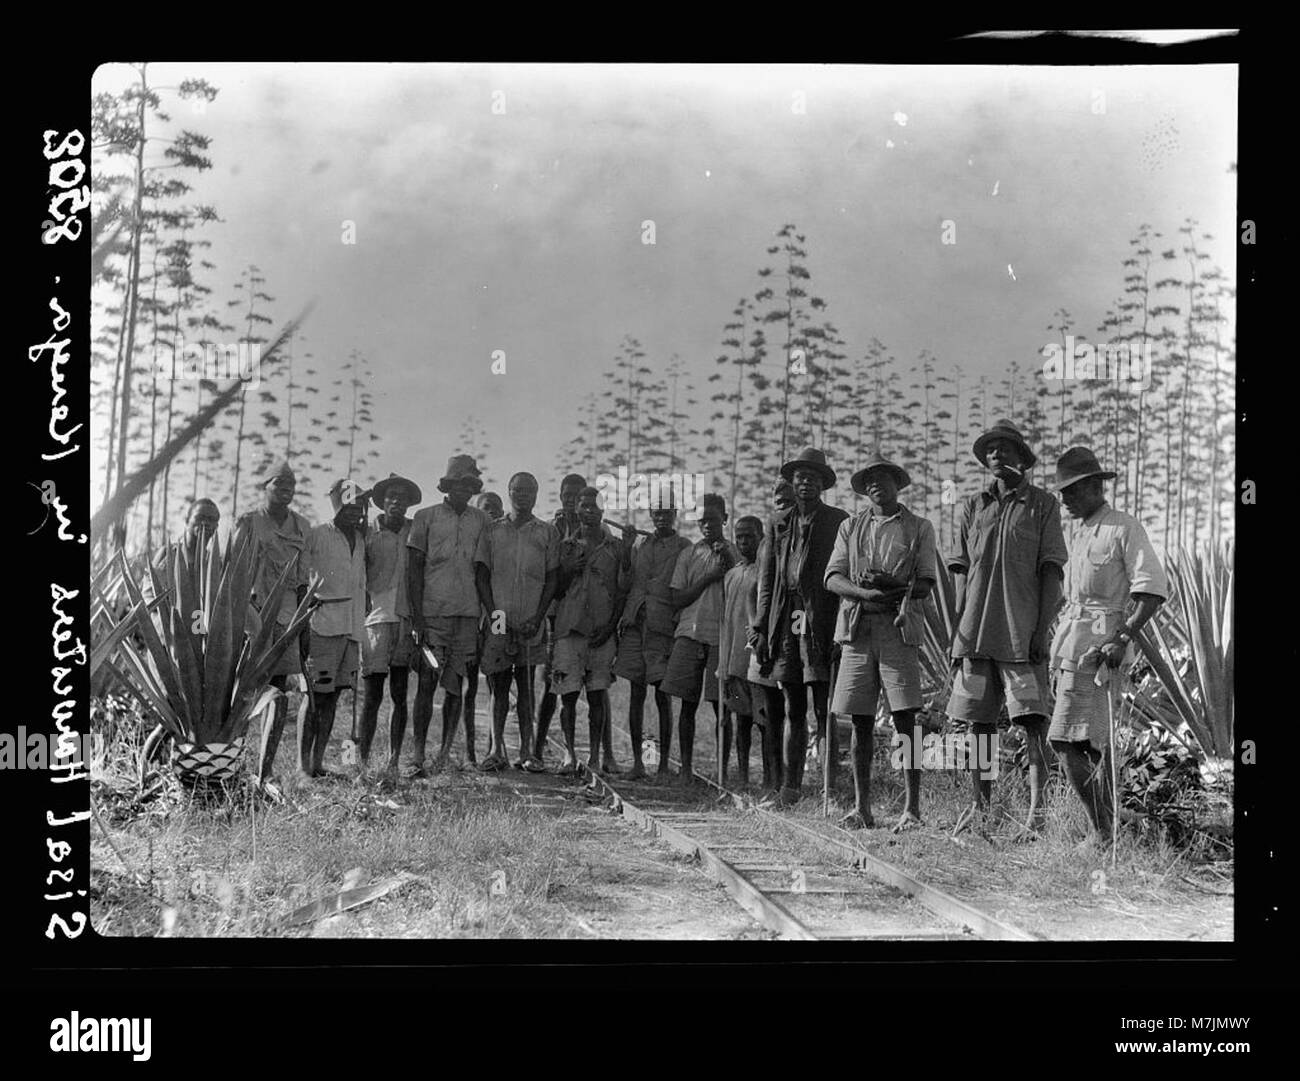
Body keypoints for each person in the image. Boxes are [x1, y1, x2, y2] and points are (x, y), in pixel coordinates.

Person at [948, 420, 1067, 838]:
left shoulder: (1042, 505)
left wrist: (1040, 630)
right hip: (976, 632)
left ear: (1022, 457)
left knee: (1032, 721)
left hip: (1022, 633)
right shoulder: (973, 506)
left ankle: (1037, 817)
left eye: (1006, 448)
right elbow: (961, 570)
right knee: (979, 724)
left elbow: (1052, 570)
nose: (997, 455)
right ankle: (981, 811)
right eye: (991, 450)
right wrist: (957, 632)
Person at [1048, 447, 1167, 848]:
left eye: (1072, 490)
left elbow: (1150, 589)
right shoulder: (1080, 533)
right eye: (1062, 491)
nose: (1064, 498)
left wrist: (1123, 637)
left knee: (1070, 740)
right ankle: (1107, 830)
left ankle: (1104, 832)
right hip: (1072, 643)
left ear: (1095, 486)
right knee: (1083, 741)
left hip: (1102, 649)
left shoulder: (1123, 527)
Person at [824, 450, 937, 831]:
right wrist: (863, 593)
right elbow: (832, 578)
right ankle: (862, 808)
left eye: (882, 477)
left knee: (906, 719)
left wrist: (893, 586)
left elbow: (924, 584)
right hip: (857, 628)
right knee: (859, 722)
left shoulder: (919, 527)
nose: (875, 484)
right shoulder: (851, 528)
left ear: (896, 483)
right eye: (868, 480)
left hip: (898, 628)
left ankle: (912, 810)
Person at [752, 447, 849, 806]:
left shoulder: (838, 521)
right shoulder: (779, 523)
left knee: (825, 706)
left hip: (821, 617)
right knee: (793, 703)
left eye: (813, 477)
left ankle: (830, 792)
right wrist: (762, 627)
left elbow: (844, 574)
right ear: (791, 483)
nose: (805, 482)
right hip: (787, 615)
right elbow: (768, 579)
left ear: (823, 483)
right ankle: (790, 789)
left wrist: (840, 627)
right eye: (800, 477)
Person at [401, 455, 491, 777]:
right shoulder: (424, 518)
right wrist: (417, 619)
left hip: (466, 616)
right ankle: (416, 757)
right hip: (432, 615)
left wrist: (491, 619)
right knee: (427, 682)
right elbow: (413, 571)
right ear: (448, 485)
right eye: (459, 484)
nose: (464, 490)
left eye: (470, 485)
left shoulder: (481, 520)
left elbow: (481, 573)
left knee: (456, 687)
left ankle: (444, 755)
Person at [474, 472, 561, 772]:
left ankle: (527, 752)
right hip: (497, 618)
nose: (522, 495)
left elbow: (552, 579)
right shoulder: (492, 531)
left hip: (530, 621)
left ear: (536, 495)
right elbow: (482, 575)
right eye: (517, 490)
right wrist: (494, 613)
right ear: (508, 492)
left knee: (525, 685)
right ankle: (497, 750)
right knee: (498, 685)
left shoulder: (547, 533)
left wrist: (538, 617)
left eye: (529, 491)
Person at [233, 460, 312, 785]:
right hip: (254, 616)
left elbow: (304, 578)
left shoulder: (302, 526)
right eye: (279, 484)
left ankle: (264, 773)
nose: (286, 490)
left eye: (290, 485)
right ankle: (231, 766)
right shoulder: (249, 522)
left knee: (278, 695)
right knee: (242, 695)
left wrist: (303, 622)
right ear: (265, 486)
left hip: (288, 616)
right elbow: (233, 574)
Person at [550, 487, 628, 781]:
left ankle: (596, 756)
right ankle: (570, 753)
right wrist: (569, 570)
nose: (590, 511)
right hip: (569, 630)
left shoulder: (617, 547)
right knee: (567, 696)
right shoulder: (565, 546)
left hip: (601, 632)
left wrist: (610, 628)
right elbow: (555, 591)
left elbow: (622, 592)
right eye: (584, 506)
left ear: (603, 510)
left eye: (595, 506)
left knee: (597, 696)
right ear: (577, 510)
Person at [613, 486, 691, 779]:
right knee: (636, 694)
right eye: (656, 512)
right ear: (651, 514)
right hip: (634, 626)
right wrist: (625, 547)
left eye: (666, 512)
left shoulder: (684, 547)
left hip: (663, 629)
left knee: (662, 696)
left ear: (674, 514)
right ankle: (638, 761)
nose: (661, 517)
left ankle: (662, 765)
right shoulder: (639, 546)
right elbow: (624, 584)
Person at [661, 494, 737, 786]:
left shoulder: (736, 552)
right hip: (690, 633)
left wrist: (726, 565)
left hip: (722, 637)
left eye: (713, 520)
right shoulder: (689, 554)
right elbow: (677, 597)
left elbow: (739, 586)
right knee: (687, 705)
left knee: (723, 708)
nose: (707, 525)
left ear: (724, 520)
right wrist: (708, 577)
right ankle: (685, 769)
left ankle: (722, 772)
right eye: (702, 520)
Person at [348, 473, 422, 770]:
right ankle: (356, 762)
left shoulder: (414, 531)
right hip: (374, 621)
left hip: (404, 619)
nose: (397, 501)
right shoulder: (366, 532)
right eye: (391, 496)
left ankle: (392, 761)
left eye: (402, 497)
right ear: (382, 501)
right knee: (370, 697)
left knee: (400, 695)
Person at [300, 479, 368, 779]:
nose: (354, 511)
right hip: (323, 626)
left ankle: (317, 763)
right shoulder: (317, 535)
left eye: (359, 506)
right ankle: (302, 768)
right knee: (314, 696)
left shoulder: (362, 540)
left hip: (352, 629)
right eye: (349, 505)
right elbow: (300, 576)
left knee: (335, 697)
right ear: (337, 505)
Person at [717, 514, 770, 789]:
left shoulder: (765, 571)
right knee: (741, 721)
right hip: (734, 660)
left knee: (764, 721)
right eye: (740, 537)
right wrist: (723, 665)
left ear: (761, 537)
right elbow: (725, 620)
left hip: (757, 658)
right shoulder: (731, 574)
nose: (744, 541)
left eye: (750, 535)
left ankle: (769, 778)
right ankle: (742, 777)